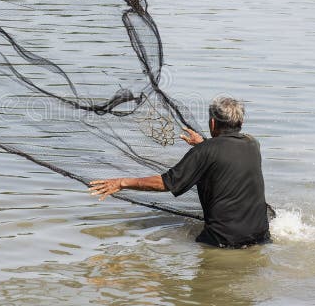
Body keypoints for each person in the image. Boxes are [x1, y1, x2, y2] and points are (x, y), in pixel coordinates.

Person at [89, 96, 271, 249]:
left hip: (223, 241)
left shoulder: (205, 152)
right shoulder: (253, 144)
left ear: (213, 122)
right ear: (241, 122)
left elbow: (166, 183)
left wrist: (121, 183)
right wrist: (203, 145)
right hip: (260, 236)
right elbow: (224, 154)